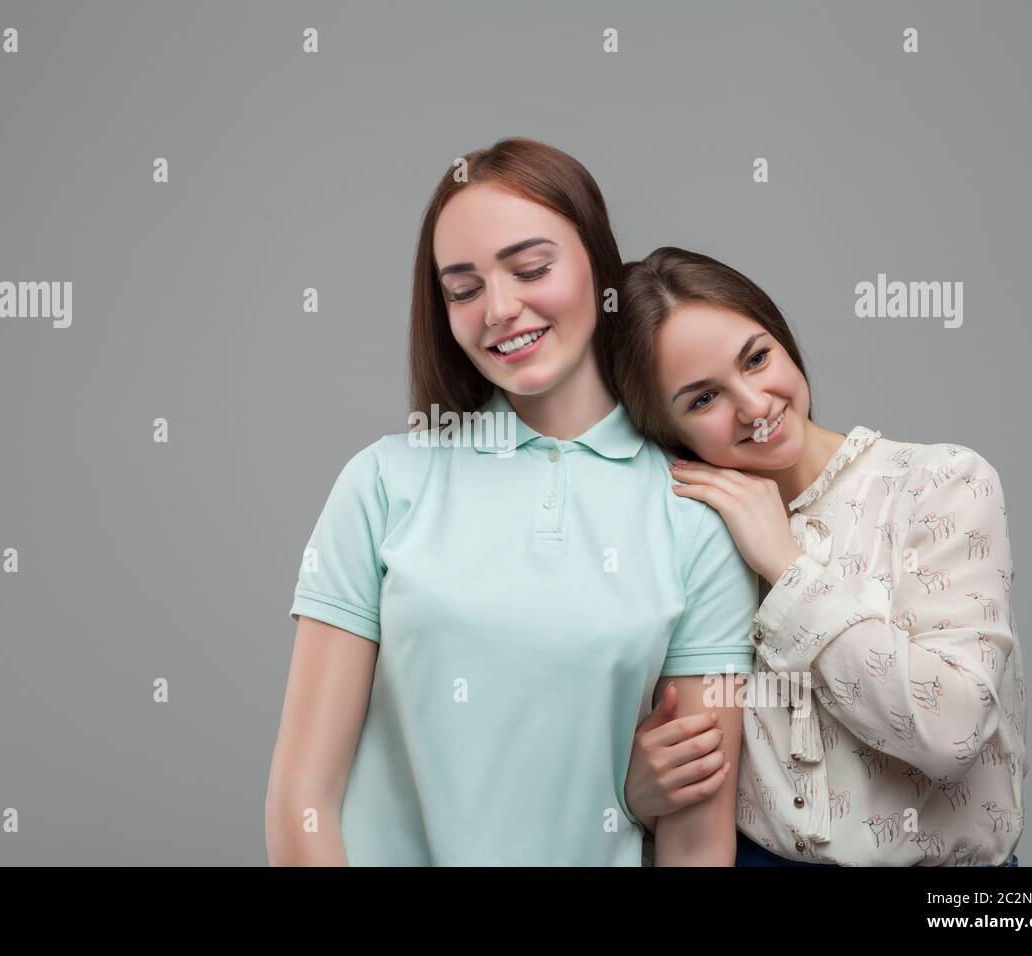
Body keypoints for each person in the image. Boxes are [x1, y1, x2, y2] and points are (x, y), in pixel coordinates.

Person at [265, 141, 757, 865]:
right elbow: (302, 796)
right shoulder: (382, 484)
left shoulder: (693, 514)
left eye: (530, 269)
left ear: (598, 264)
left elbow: (695, 836)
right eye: (463, 290)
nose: (499, 309)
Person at [615, 247, 1026, 866]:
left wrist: (786, 568)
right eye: (703, 399)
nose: (754, 406)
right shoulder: (691, 540)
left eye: (757, 359)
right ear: (668, 431)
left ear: (783, 340)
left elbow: (953, 732)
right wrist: (638, 798)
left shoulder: (942, 483)